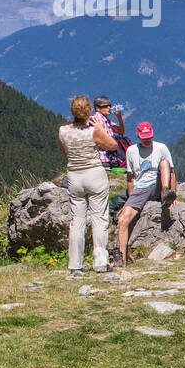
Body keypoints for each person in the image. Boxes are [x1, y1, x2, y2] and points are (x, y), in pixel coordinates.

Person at [57, 95, 120, 278]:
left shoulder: (63, 131)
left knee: (77, 221)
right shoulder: (93, 131)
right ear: (89, 111)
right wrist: (100, 128)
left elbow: (65, 152)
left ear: (72, 110)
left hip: (74, 176)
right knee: (99, 218)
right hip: (94, 174)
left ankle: (75, 265)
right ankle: (100, 262)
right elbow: (113, 145)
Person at [115, 121, 176, 268]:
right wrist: (131, 199)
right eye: (144, 138)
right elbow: (130, 177)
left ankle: (166, 194)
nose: (147, 140)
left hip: (159, 183)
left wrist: (174, 194)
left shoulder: (161, 147)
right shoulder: (131, 151)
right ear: (138, 137)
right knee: (122, 220)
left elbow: (171, 172)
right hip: (141, 187)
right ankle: (121, 258)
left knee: (164, 163)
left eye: (149, 137)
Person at [90, 96, 127, 170]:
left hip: (108, 158)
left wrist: (119, 116)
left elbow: (121, 131)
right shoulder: (97, 119)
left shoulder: (106, 120)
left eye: (109, 105)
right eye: (105, 106)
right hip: (102, 159)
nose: (109, 108)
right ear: (97, 108)